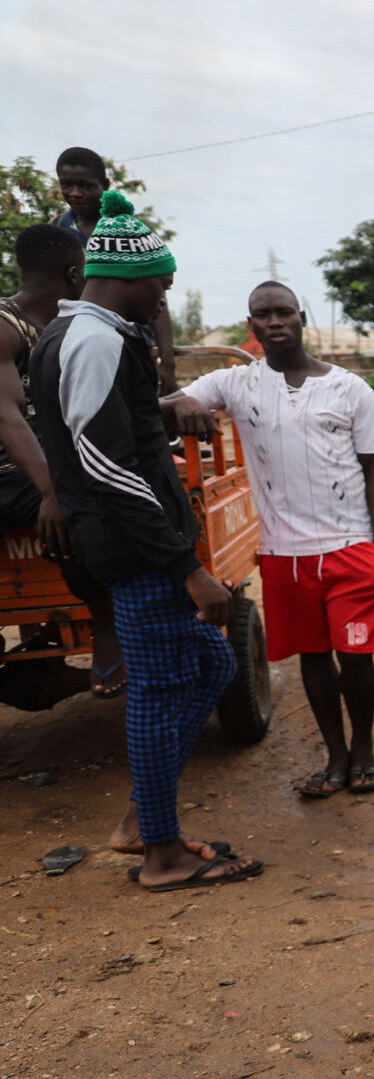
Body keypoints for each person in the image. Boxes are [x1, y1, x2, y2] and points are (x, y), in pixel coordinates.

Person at [25, 191, 265, 891]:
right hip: (136, 552)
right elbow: (102, 462)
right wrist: (184, 565)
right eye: (161, 281)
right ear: (130, 279)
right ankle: (160, 854)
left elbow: (106, 430)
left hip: (134, 544)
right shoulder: (95, 339)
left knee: (214, 667)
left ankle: (142, 814)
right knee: (160, 691)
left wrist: (162, 409)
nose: (164, 294)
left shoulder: (80, 336)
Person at [163, 281, 374, 797]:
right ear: (252, 327)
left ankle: (364, 750)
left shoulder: (350, 389)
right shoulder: (236, 384)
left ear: (301, 317)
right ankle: (335, 757)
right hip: (285, 555)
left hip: (351, 547)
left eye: (283, 312)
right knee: (313, 656)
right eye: (262, 315)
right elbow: (168, 403)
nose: (274, 322)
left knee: (356, 656)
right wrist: (181, 408)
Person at [1, 224, 127, 696]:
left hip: (40, 465)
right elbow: (5, 415)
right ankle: (106, 624)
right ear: (75, 275)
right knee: (78, 507)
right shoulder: (5, 325)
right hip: (10, 473)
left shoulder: (66, 330)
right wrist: (53, 490)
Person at [53, 148, 179, 396]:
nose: (75, 193)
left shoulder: (126, 229)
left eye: (85, 186)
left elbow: (157, 295)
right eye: (66, 185)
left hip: (131, 337)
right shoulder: (58, 230)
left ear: (105, 185)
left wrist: (168, 360)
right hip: (81, 339)